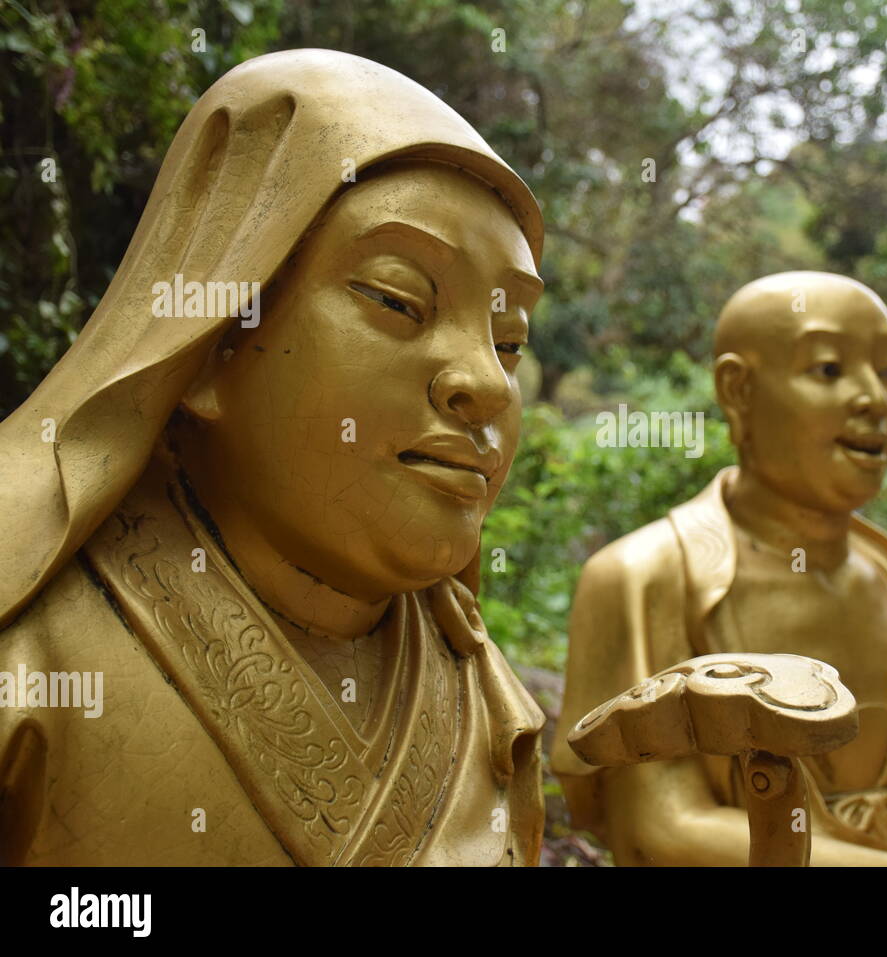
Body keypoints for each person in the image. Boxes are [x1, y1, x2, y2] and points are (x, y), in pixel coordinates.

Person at [0, 50, 548, 866]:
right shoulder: (33, 668)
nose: (488, 385)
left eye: (508, 343)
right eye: (399, 299)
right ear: (215, 339)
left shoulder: (483, 701)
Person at [554, 272, 887, 865]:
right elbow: (660, 831)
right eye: (828, 370)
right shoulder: (647, 576)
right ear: (739, 390)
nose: (877, 399)